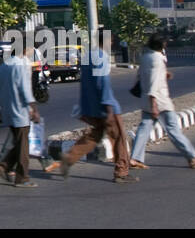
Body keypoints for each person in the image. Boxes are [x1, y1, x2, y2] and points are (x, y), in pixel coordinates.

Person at [56, 46, 136, 183]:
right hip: (106, 107)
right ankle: (121, 172)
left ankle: (69, 158)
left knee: (95, 135)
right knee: (119, 139)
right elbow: (102, 82)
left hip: (92, 107)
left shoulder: (87, 57)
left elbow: (85, 83)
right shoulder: (101, 57)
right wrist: (108, 106)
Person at [130, 35, 195, 170]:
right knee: (173, 129)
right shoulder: (157, 60)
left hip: (147, 100)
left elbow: (142, 76)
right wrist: (154, 104)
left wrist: (164, 74)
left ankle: (135, 158)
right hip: (160, 102)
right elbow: (154, 83)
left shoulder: (145, 58)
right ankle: (192, 157)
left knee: (144, 129)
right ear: (162, 45)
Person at [0, 41, 38, 188]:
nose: (31, 51)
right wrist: (34, 109)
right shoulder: (20, 66)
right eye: (30, 48)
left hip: (8, 111)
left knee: (18, 143)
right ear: (23, 49)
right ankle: (22, 178)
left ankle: (4, 166)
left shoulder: (4, 66)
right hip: (20, 112)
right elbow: (25, 89)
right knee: (23, 147)